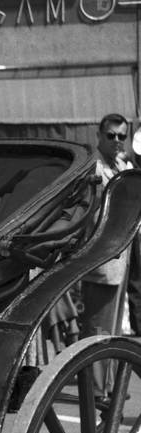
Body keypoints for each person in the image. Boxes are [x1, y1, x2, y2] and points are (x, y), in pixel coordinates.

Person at [80, 113, 134, 398]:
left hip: (119, 258)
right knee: (98, 328)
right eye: (111, 135)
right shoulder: (95, 167)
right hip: (101, 259)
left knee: (112, 328)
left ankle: (109, 384)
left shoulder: (122, 165)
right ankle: (97, 388)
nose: (116, 141)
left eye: (121, 136)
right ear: (99, 136)